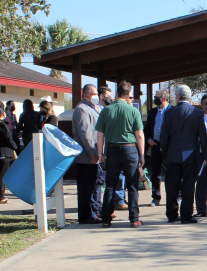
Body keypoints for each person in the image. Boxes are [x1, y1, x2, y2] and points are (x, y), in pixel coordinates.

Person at [94, 81, 145, 228]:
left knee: (110, 185)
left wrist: (100, 153)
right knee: (132, 186)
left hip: (112, 149)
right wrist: (141, 155)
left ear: (116, 94)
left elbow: (99, 135)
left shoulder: (106, 110)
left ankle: (106, 219)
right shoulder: (133, 111)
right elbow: (140, 135)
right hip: (130, 150)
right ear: (129, 95)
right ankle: (134, 219)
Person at [159, 85, 207, 223]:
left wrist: (166, 152)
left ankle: (172, 214)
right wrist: (205, 155)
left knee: (171, 185)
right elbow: (202, 136)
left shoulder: (169, 113)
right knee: (188, 185)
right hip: (191, 154)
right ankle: (186, 215)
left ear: (177, 97)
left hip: (173, 154)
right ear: (190, 97)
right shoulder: (197, 113)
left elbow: (164, 135)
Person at [72, 83, 104, 224]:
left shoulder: (93, 108)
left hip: (94, 155)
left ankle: (93, 212)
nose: (96, 96)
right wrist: (93, 152)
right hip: (87, 157)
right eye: (93, 94)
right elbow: (85, 133)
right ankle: (85, 216)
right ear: (85, 95)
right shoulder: (81, 109)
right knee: (86, 188)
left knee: (93, 186)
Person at [143, 89, 169, 207]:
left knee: (171, 172)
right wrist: (149, 140)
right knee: (155, 173)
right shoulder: (152, 112)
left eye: (157, 97)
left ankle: (173, 196)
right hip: (155, 145)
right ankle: (156, 197)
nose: (155, 99)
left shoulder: (172, 111)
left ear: (164, 98)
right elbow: (147, 128)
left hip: (168, 146)